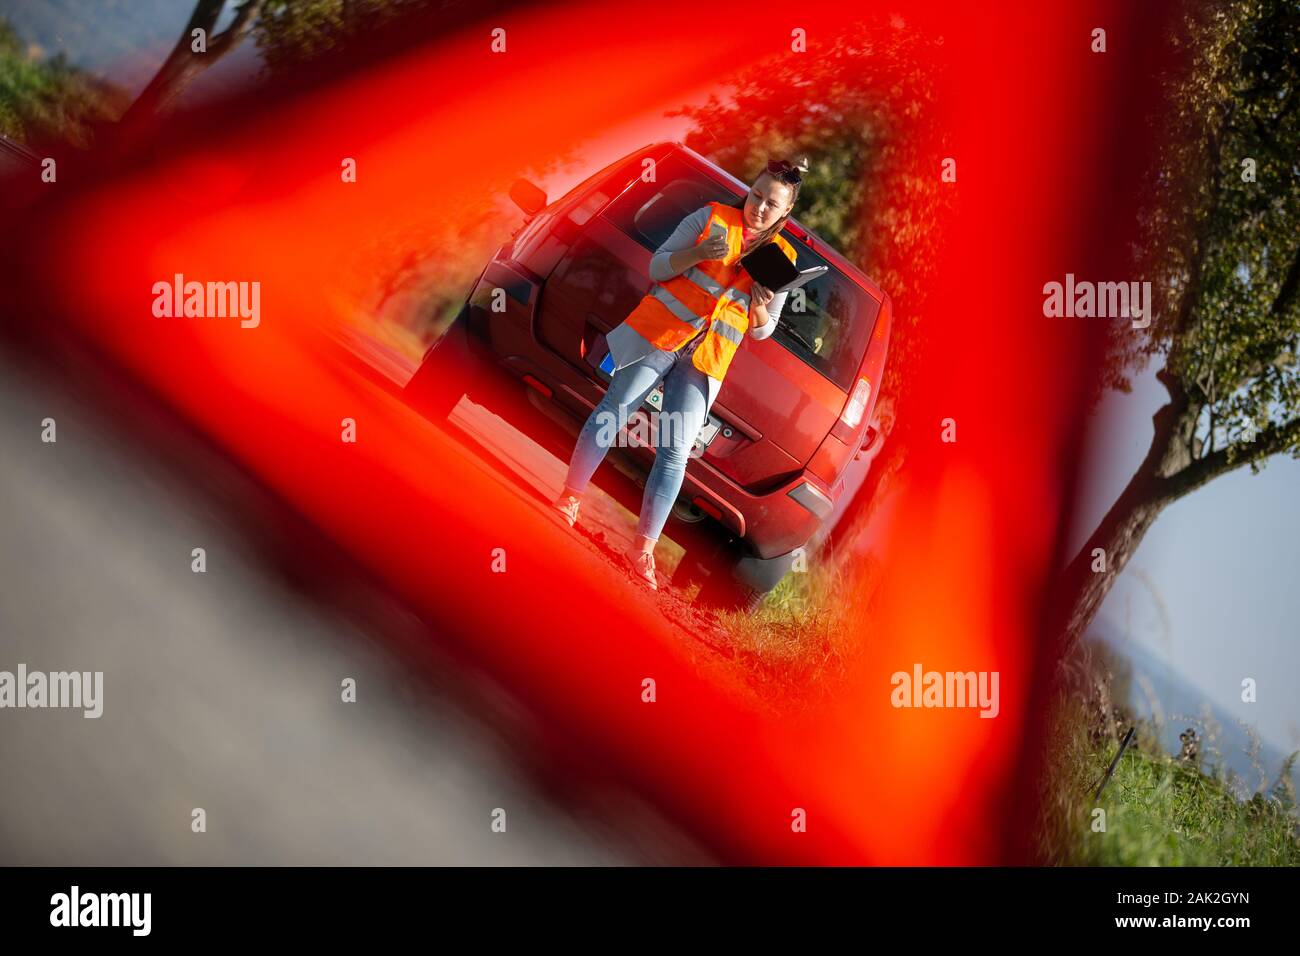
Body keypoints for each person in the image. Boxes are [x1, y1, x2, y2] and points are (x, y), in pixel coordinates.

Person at [552, 156, 808, 589]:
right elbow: (657, 266)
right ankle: (569, 499)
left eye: (772, 204)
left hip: (705, 361)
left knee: (674, 453)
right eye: (757, 195)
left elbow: (762, 332)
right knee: (613, 411)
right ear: (751, 190)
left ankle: (643, 551)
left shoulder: (782, 258)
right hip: (659, 337)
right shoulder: (710, 217)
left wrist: (763, 300)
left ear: (786, 212)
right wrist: (696, 253)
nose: (760, 207)